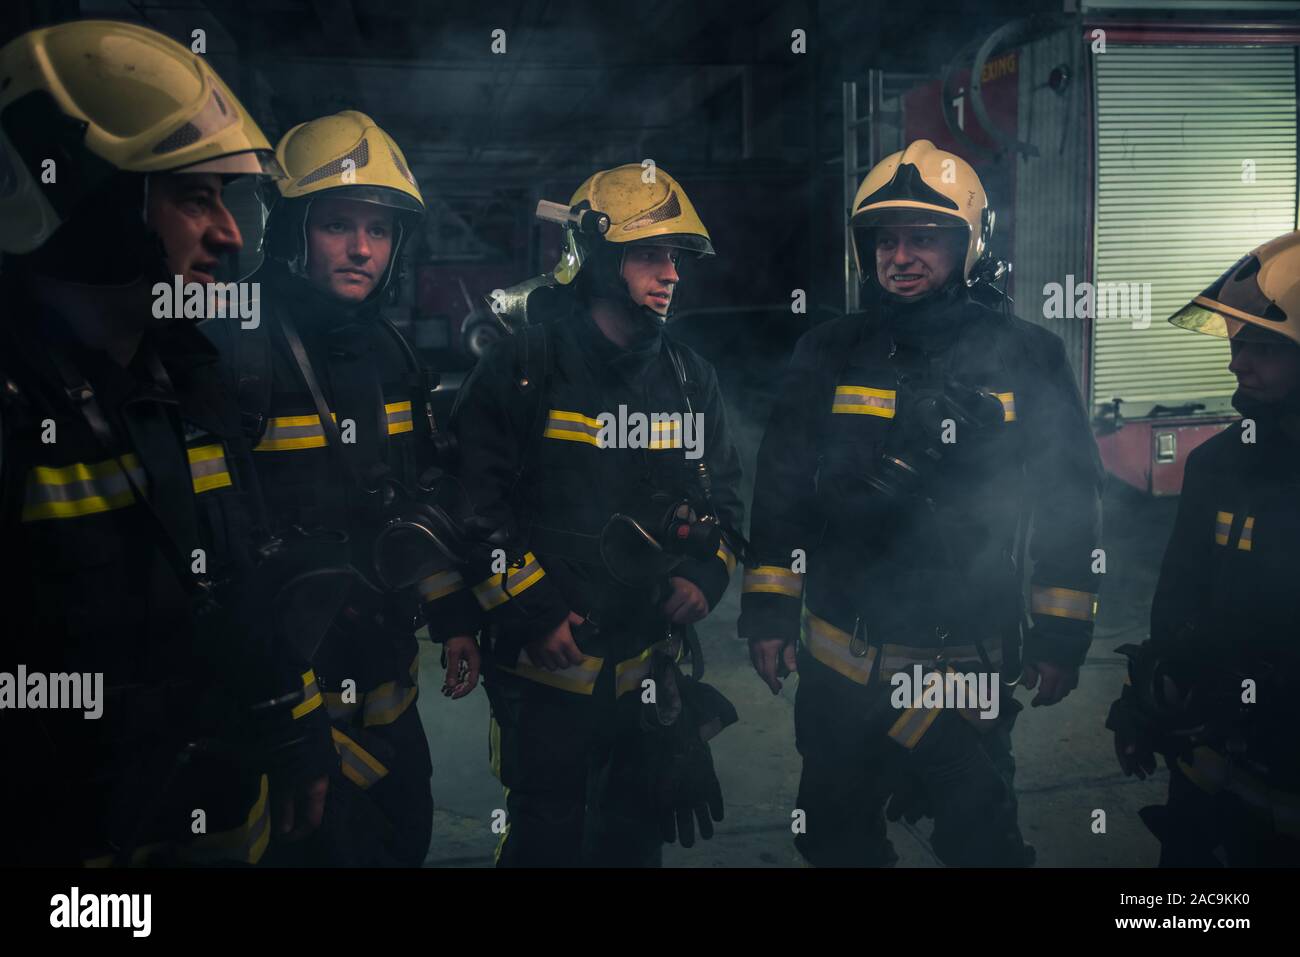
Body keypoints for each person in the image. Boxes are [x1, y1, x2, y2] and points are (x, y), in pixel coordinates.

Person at [0, 19, 333, 866]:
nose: (227, 235)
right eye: (195, 198)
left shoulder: (192, 375)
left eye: (234, 201)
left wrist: (290, 735)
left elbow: (241, 578)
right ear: (93, 197)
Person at [740, 139, 1104, 866]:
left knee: (980, 843)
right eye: (886, 239)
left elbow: (1068, 497)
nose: (899, 256)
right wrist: (770, 612)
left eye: (925, 238)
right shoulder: (828, 351)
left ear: (969, 244)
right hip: (842, 662)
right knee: (837, 841)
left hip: (964, 654)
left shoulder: (1027, 356)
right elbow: (781, 489)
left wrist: (1062, 635)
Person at [203, 110, 482, 866]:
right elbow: (215, 556)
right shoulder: (234, 347)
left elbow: (421, 491)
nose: (363, 248)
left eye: (380, 230)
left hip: (391, 700)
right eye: (338, 225)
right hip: (283, 716)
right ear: (290, 229)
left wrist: (454, 608)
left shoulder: (392, 351)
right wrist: (284, 716)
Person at [450, 163, 744, 866]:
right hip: (543, 679)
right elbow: (472, 501)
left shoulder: (688, 379)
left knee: (631, 846)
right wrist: (533, 610)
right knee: (544, 842)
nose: (669, 274)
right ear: (596, 258)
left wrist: (707, 570)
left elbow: (726, 496)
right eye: (649, 254)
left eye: (675, 257)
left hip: (649, 675)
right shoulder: (524, 367)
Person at [1107, 230, 1300, 866]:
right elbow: (1181, 592)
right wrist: (1153, 693)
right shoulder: (1219, 464)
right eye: (1238, 342)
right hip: (1209, 767)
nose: (1237, 364)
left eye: (1265, 347)